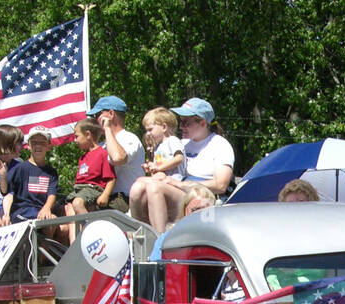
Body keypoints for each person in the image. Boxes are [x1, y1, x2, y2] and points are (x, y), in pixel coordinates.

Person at [139, 97, 235, 232]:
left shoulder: (220, 145)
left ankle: (159, 241)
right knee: (140, 184)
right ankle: (140, 235)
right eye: (180, 121)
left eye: (185, 122)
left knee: (155, 187)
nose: (181, 126)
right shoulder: (182, 143)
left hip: (202, 199)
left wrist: (180, 184)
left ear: (202, 123)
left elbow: (221, 185)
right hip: (180, 194)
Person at [88, 96, 145, 214]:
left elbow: (118, 158)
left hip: (127, 201)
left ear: (111, 113)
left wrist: (107, 129)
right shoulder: (103, 144)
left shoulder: (129, 138)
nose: (95, 120)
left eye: (98, 115)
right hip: (105, 199)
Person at [5, 125, 60, 234]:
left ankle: (44, 250)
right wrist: (6, 214)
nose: (38, 146)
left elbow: (52, 194)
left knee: (56, 224)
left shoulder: (51, 172)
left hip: (41, 212)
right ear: (28, 145)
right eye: (34, 142)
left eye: (43, 143)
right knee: (50, 221)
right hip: (21, 212)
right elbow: (8, 193)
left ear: (49, 146)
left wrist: (46, 208)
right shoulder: (20, 168)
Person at [68, 120, 118, 227]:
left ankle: (93, 232)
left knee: (77, 203)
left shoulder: (102, 153)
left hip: (93, 189)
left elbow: (111, 178)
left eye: (77, 136)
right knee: (67, 207)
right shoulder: (83, 157)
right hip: (79, 189)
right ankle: (75, 241)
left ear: (87, 134)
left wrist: (105, 195)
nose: (75, 140)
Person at [142, 107, 184, 178]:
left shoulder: (172, 141)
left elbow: (179, 158)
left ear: (164, 127)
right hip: (161, 181)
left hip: (174, 180)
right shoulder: (157, 146)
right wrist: (151, 167)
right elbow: (157, 167)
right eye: (146, 131)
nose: (148, 133)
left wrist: (159, 168)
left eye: (150, 129)